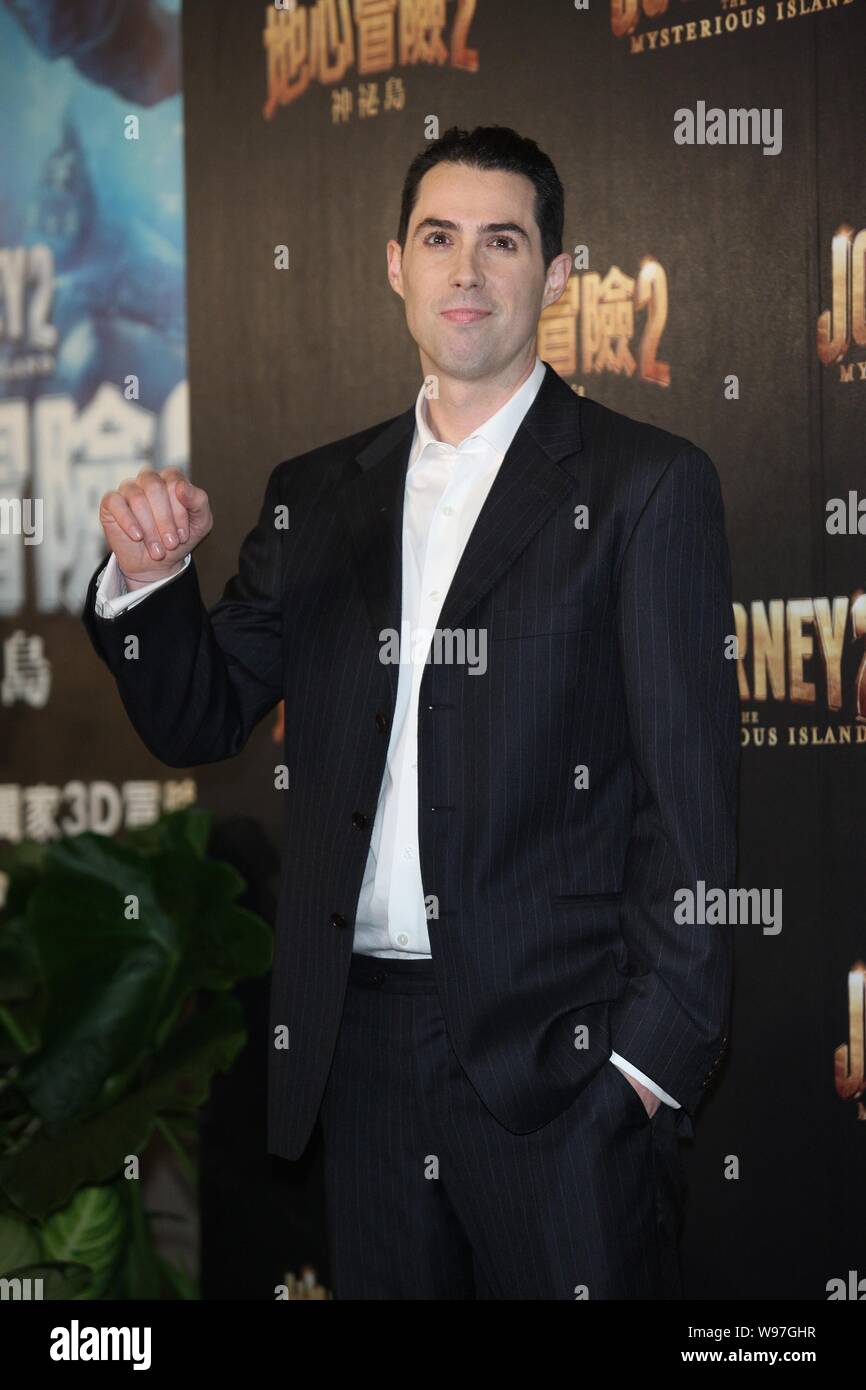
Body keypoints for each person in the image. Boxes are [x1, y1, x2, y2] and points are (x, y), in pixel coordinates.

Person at [82, 125, 739, 1300]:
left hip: (562, 1063)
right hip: (363, 1057)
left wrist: (645, 1063)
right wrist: (148, 584)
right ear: (395, 265)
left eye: (502, 241)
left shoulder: (644, 486)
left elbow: (690, 804)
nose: (466, 272)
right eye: (439, 239)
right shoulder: (316, 495)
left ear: (555, 271)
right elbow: (198, 715)